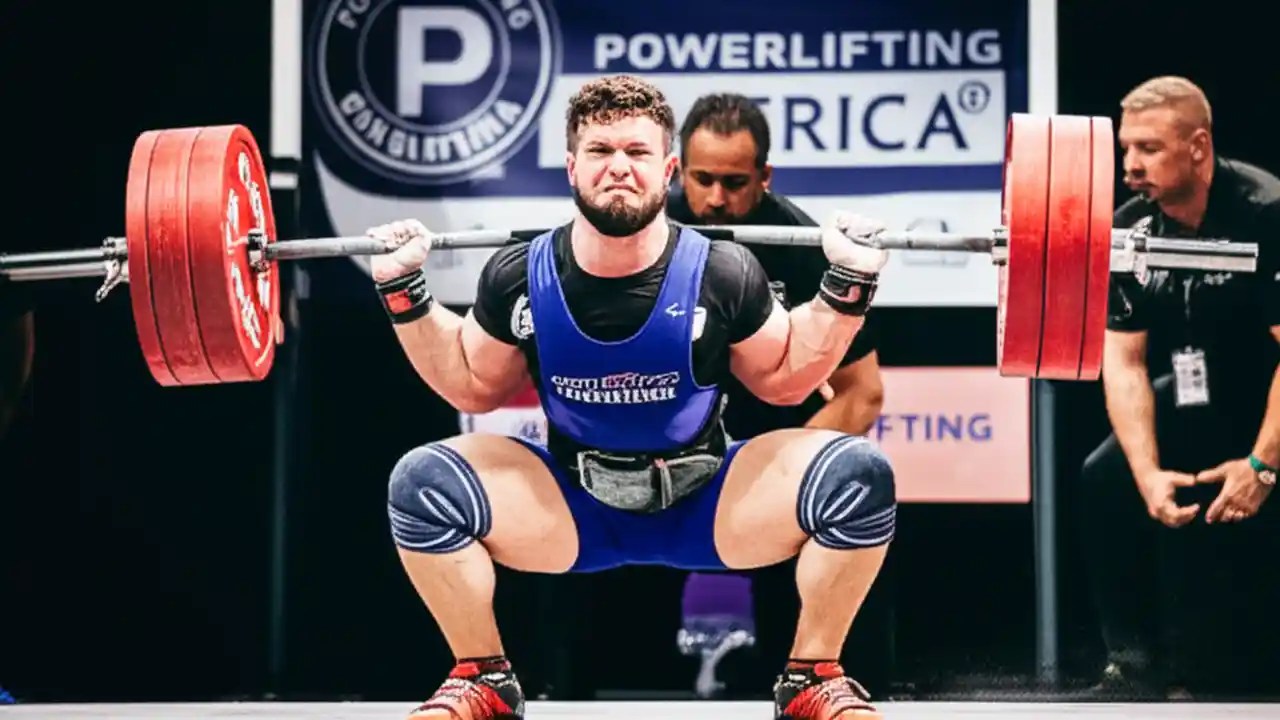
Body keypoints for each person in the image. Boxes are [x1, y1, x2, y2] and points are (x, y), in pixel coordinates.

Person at [366, 74, 896, 720]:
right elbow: (468, 381)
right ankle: (483, 677)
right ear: (571, 166)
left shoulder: (725, 273)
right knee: (422, 483)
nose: (619, 166)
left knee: (857, 476)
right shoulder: (517, 275)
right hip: (572, 507)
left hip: (708, 502)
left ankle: (813, 676)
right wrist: (405, 295)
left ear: (666, 169)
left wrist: (847, 285)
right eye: (600, 151)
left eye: (638, 153)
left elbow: (785, 379)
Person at [666, 92, 886, 697]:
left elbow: (862, 393)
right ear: (676, 169)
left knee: (850, 513)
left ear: (765, 176)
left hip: (763, 444)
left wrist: (783, 475)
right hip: (652, 445)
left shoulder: (808, 248)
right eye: (701, 178)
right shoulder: (637, 235)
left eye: (734, 182)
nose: (715, 199)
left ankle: (824, 684)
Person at [1076, 75, 1280, 699]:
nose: (1131, 166)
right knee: (1104, 475)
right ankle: (1135, 665)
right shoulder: (1130, 227)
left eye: (1149, 149)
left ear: (1198, 147)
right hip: (1196, 386)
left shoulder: (1265, 211)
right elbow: (1125, 360)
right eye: (1125, 149)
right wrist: (1146, 473)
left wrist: (1263, 467)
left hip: (1267, 394)